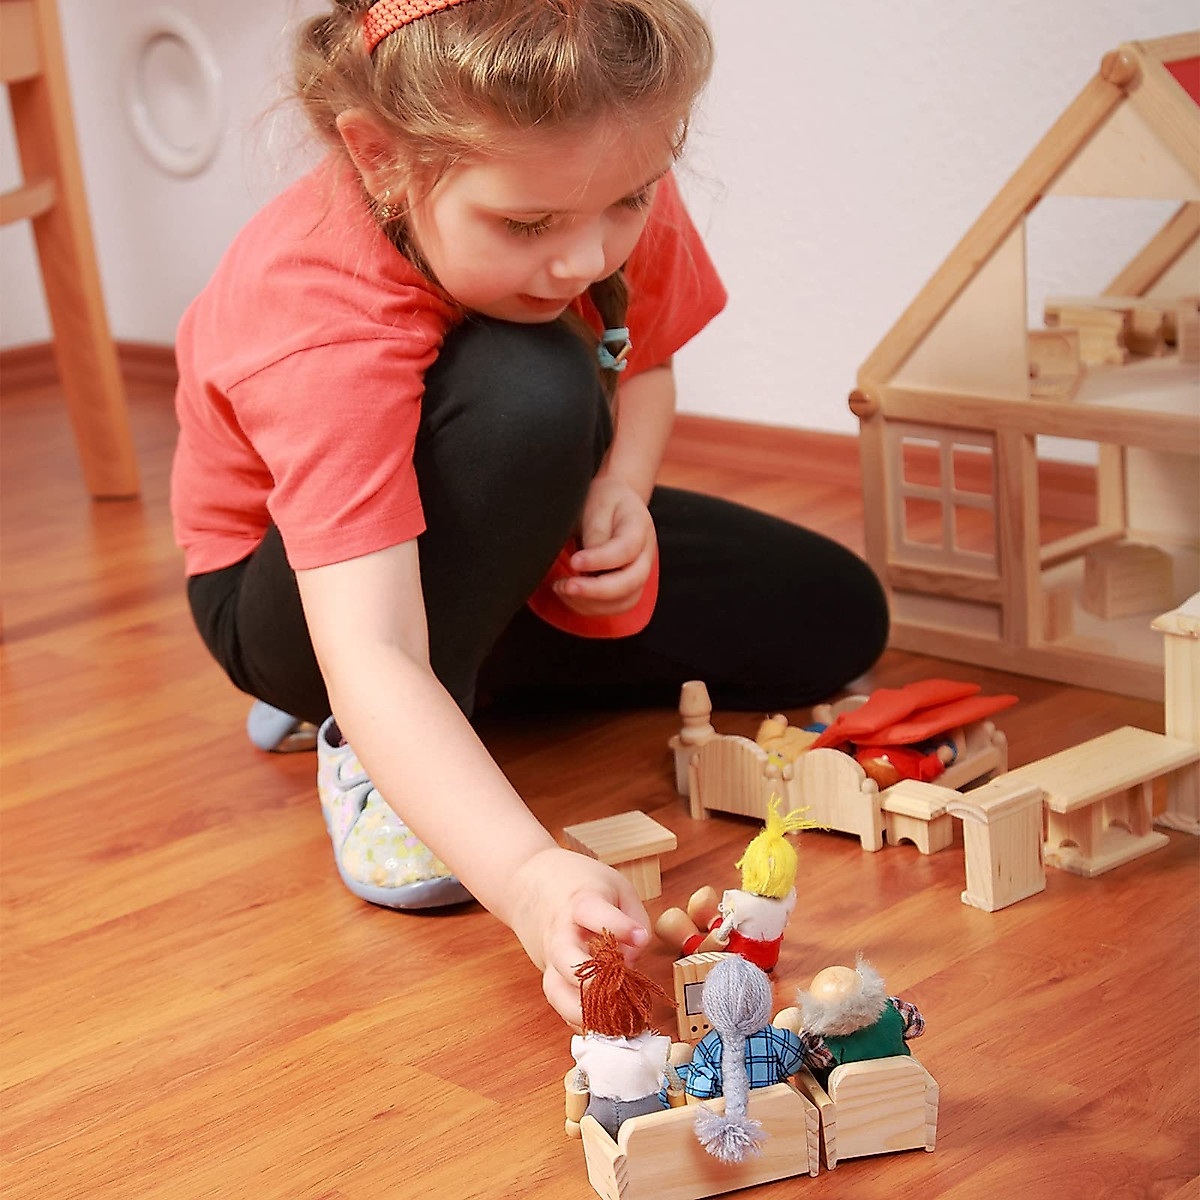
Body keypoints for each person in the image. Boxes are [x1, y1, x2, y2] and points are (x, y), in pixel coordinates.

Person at [171, 0, 888, 1028]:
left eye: (627, 203)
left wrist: (622, 490)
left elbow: (645, 366)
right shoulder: (316, 318)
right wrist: (526, 877)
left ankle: (450, 686)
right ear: (380, 159)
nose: (585, 260)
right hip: (301, 606)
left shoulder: (594, 164)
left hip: (495, 529)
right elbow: (371, 644)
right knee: (532, 386)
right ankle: (371, 746)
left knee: (834, 615)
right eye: (526, 226)